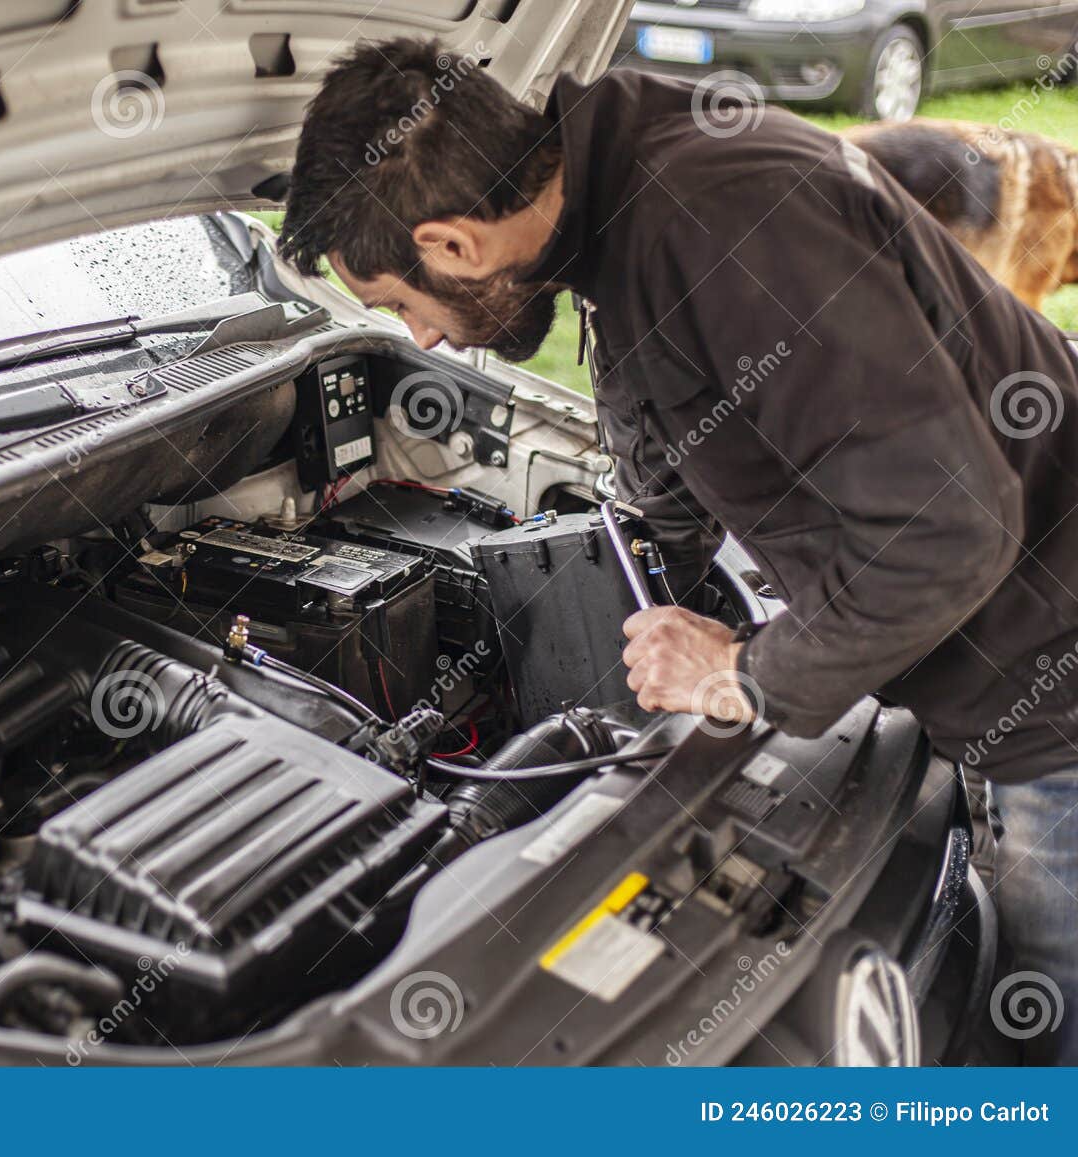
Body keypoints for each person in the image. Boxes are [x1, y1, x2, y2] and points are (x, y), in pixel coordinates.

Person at [278, 38, 1078, 1064]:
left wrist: (744, 670)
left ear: (452, 244)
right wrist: (654, 542)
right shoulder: (618, 177)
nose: (421, 342)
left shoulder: (724, 223)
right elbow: (673, 383)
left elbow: (945, 534)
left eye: (398, 304)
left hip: (1054, 698)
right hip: (1014, 665)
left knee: (1041, 1044)